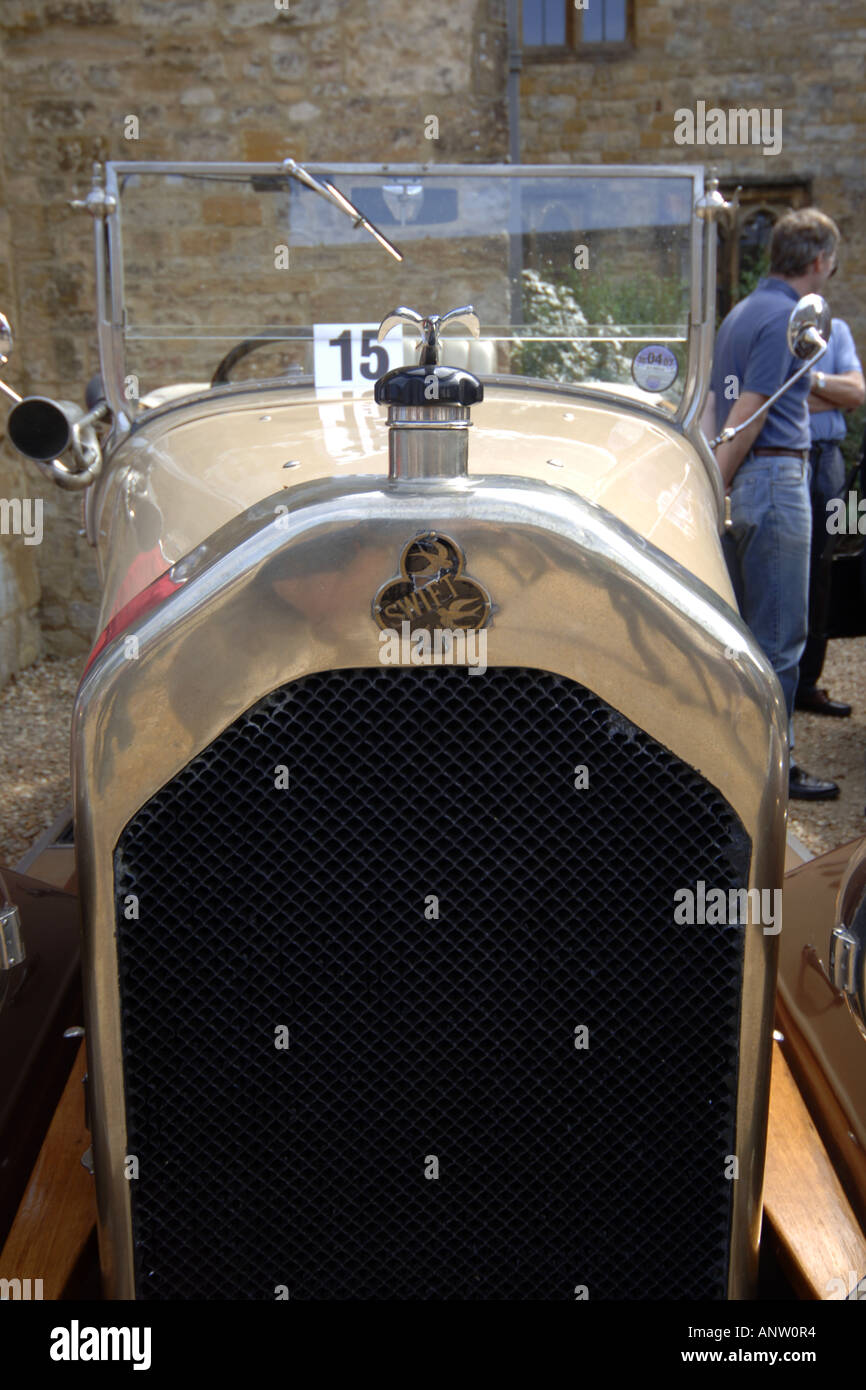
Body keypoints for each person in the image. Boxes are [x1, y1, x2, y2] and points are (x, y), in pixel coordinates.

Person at [703, 207, 841, 801]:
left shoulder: (739, 311)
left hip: (745, 480)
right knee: (781, 639)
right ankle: (774, 774)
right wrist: (717, 486)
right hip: (776, 479)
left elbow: (717, 405)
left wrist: (714, 479)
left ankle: (734, 761)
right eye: (833, 259)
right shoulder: (788, 315)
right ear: (819, 261)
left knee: (745, 638)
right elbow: (749, 415)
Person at [795, 316, 865, 715]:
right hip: (790, 457)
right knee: (785, 568)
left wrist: (810, 381)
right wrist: (828, 389)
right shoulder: (775, 324)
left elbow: (856, 392)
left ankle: (807, 682)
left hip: (831, 462)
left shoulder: (836, 329)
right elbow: (775, 396)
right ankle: (775, 681)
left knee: (824, 567)